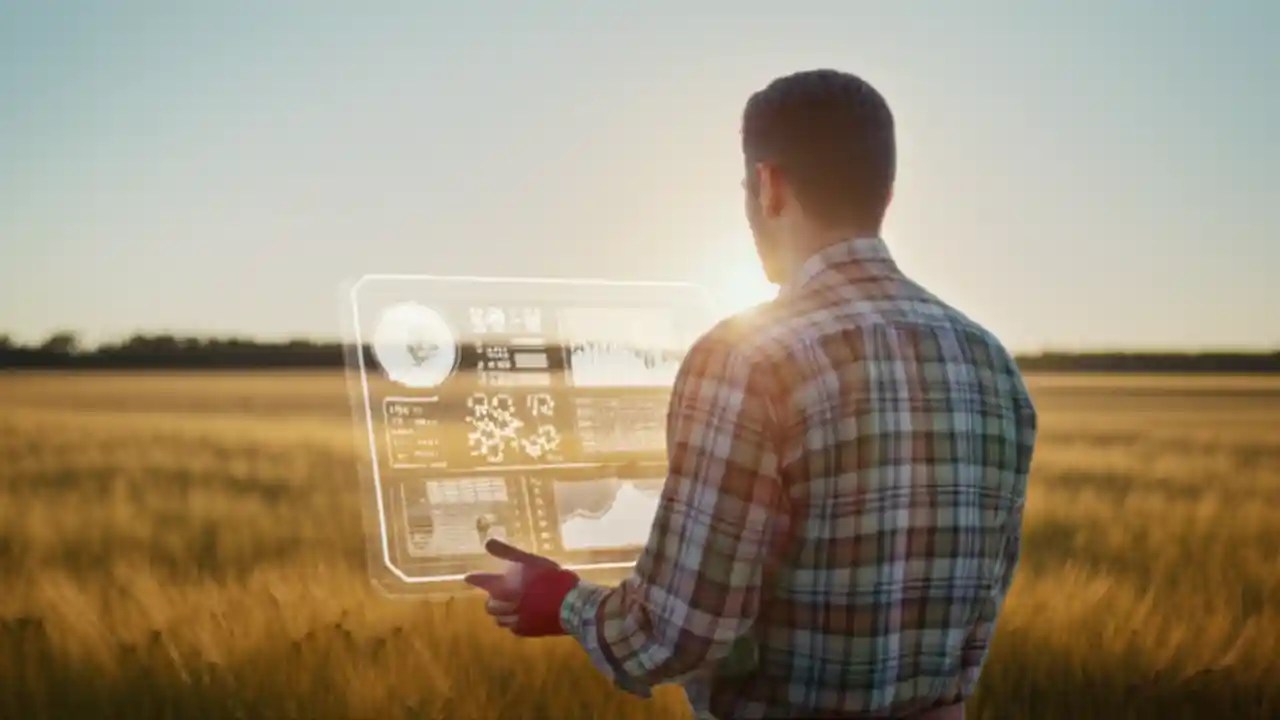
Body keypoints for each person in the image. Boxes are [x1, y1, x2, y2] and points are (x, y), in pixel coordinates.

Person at [465, 68, 1038, 719]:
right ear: (885, 192)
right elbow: (971, 617)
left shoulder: (748, 356)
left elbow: (676, 633)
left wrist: (561, 601)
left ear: (768, 185)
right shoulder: (990, 363)